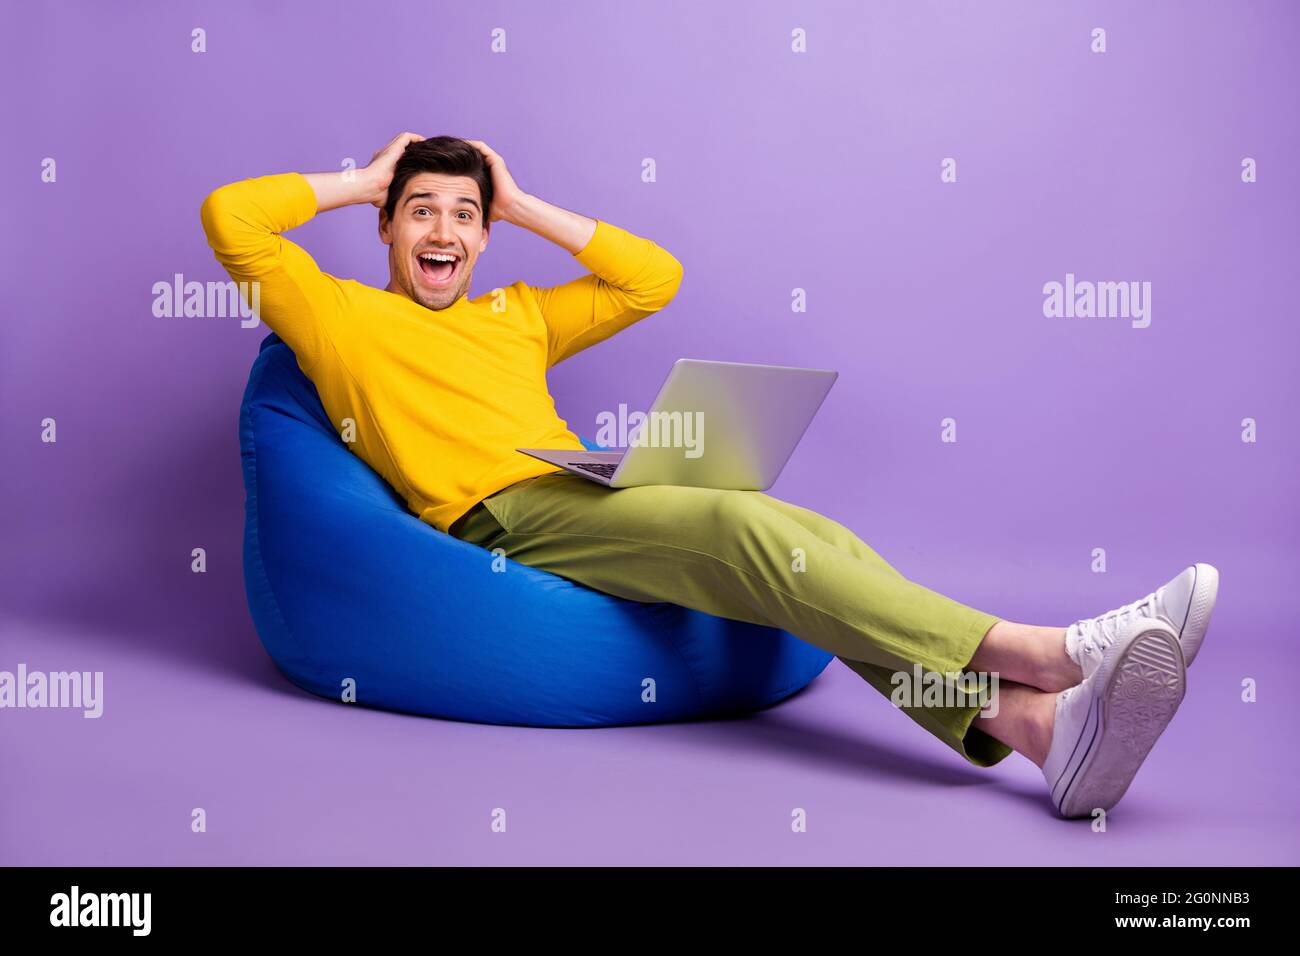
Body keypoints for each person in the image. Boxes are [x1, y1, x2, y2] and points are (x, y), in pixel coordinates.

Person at [201, 132, 1220, 818]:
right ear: (386, 226)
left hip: (578, 487)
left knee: (811, 537)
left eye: (464, 216)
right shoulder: (335, 315)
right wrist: (362, 176)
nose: (442, 234)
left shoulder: (515, 311)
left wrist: (521, 203)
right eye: (418, 212)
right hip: (496, 517)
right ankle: (1048, 649)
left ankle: (1037, 730)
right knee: (744, 534)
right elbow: (230, 217)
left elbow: (653, 277)